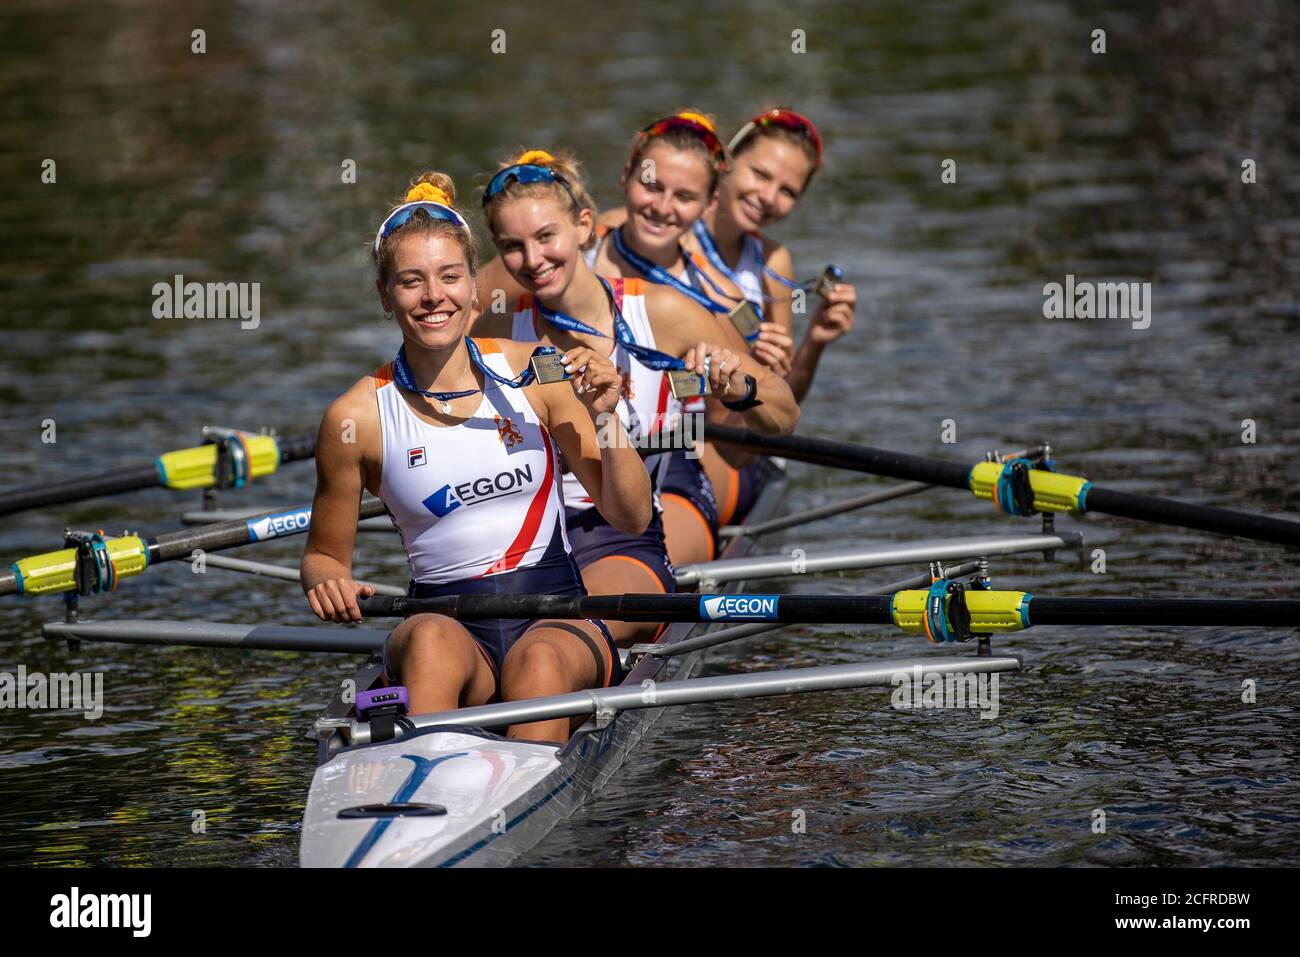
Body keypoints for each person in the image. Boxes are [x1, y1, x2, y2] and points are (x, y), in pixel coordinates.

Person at [301, 173, 652, 744]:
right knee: (433, 645)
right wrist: (328, 582)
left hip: (556, 618)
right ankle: (426, 784)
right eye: (411, 282)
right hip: (446, 627)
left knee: (536, 665)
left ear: (473, 285)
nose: (433, 296)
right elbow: (321, 556)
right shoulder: (357, 417)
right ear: (384, 295)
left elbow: (632, 518)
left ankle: (513, 801)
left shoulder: (537, 370)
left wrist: (608, 416)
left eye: (449, 277)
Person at [473, 149, 799, 641]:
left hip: (628, 527)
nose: (534, 261)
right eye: (513, 247)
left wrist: (740, 390)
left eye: (546, 237)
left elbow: (784, 415)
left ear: (585, 227)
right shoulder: (498, 326)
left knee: (551, 642)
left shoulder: (665, 311)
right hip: (528, 535)